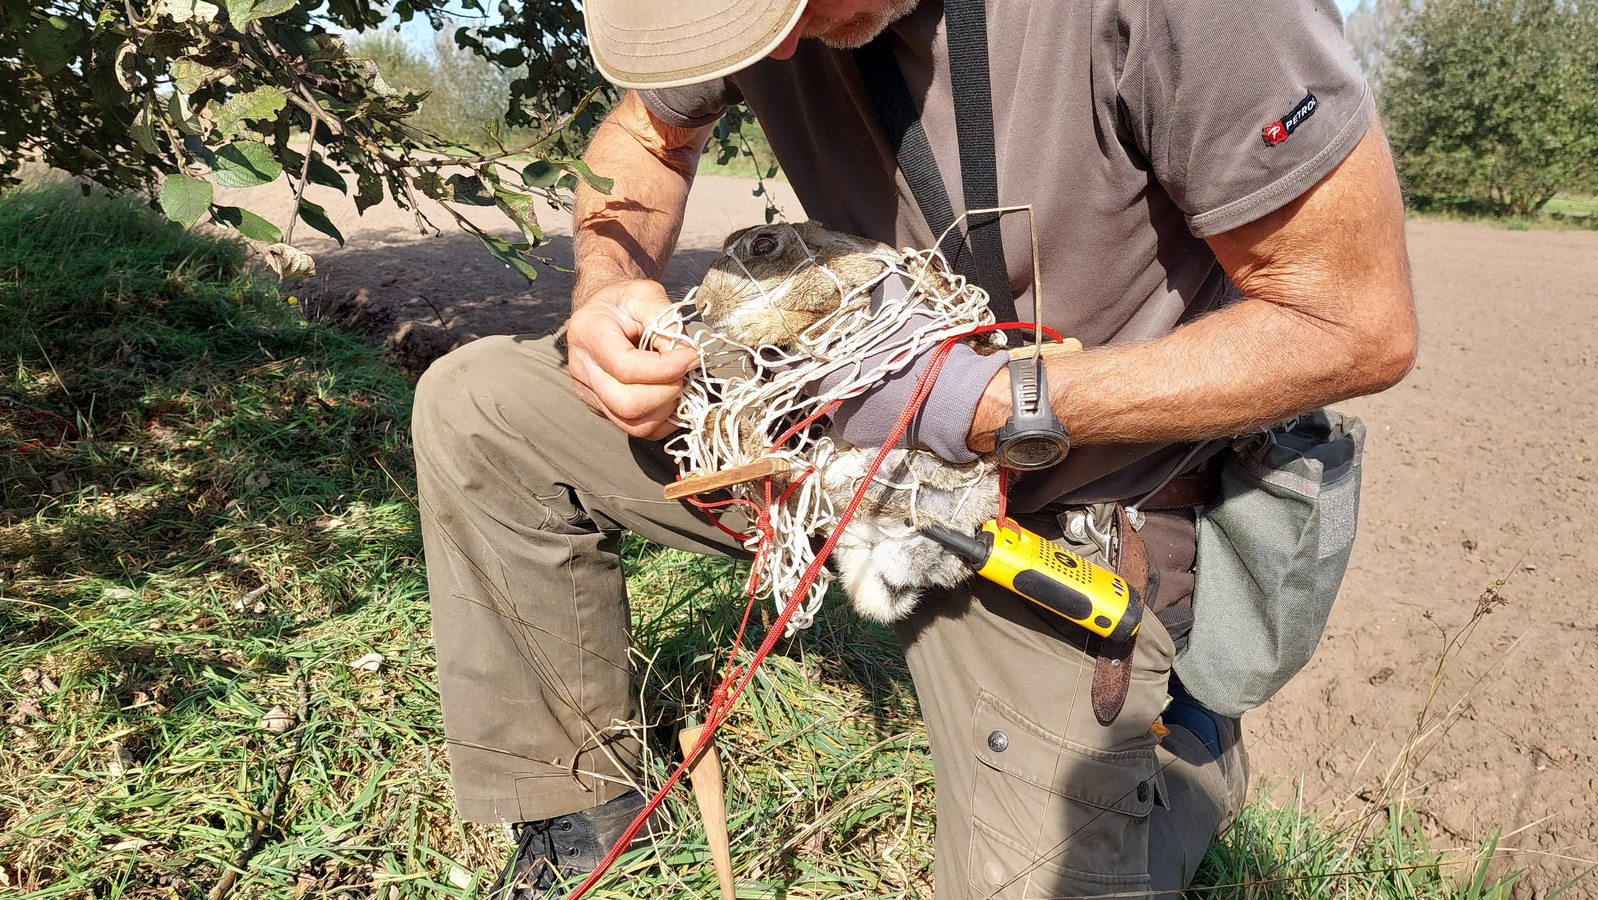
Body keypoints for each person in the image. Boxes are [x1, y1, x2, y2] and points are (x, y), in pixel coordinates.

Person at [411, 0, 1418, 897]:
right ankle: (581, 821)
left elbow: (1356, 324)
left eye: (784, 11)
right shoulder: (768, 23)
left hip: (1064, 516)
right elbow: (646, 135)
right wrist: (607, 284)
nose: (776, 54)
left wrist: (985, 404)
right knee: (483, 409)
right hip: (833, 450)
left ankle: (1187, 759)